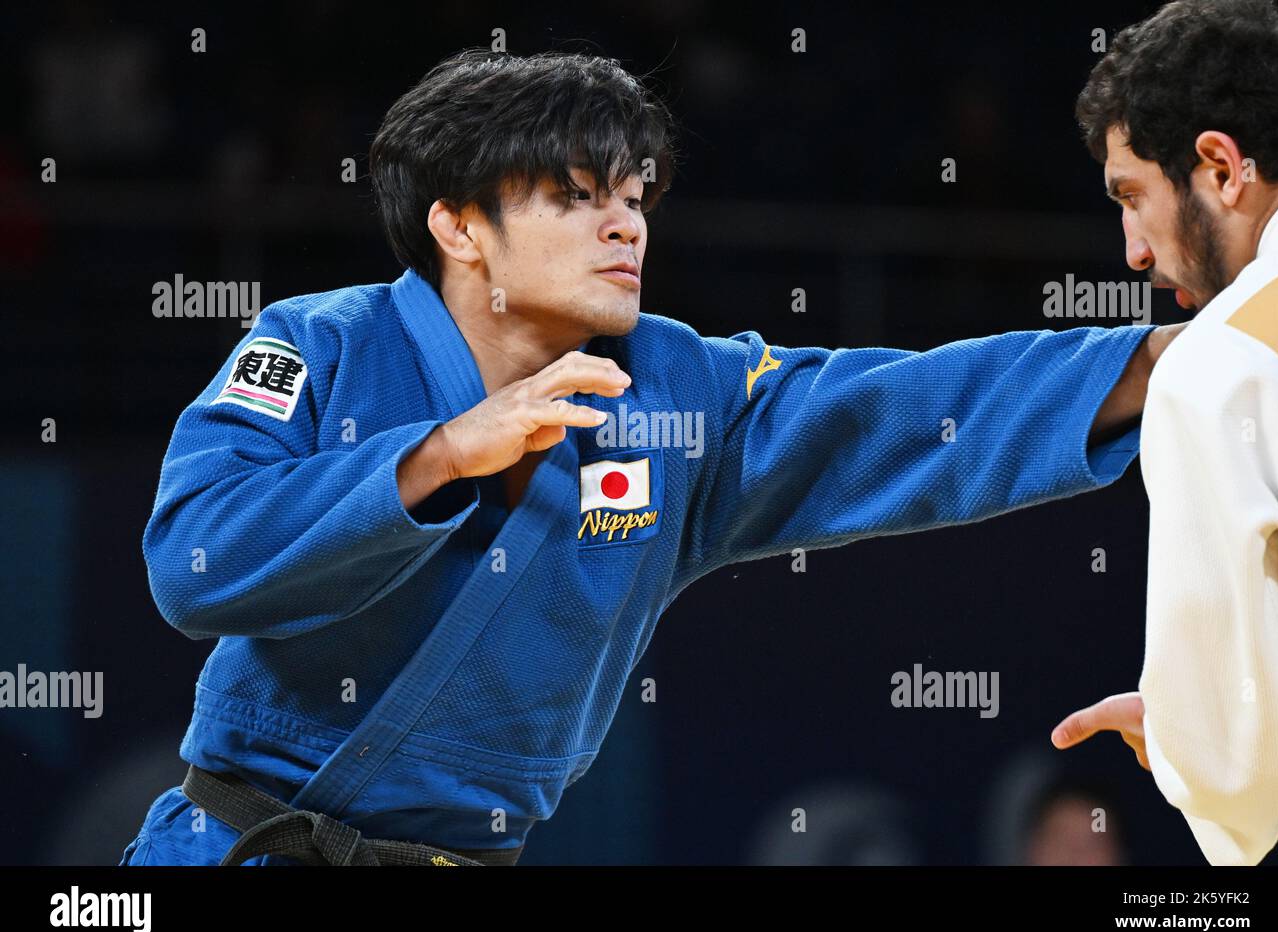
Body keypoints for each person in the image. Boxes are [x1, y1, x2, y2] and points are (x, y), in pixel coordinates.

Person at [121, 48, 1179, 866]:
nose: (623, 224)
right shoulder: (324, 343)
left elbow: (897, 408)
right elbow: (192, 557)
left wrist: (1158, 360)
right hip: (236, 844)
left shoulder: (676, 393)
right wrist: (437, 454)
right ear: (459, 226)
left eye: (634, 196)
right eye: (577, 195)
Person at [1051, 0, 1278, 866]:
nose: (1133, 252)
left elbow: (1242, 771)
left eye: (1133, 198)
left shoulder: (1215, 369)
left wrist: (1186, 742)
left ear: (1222, 167)